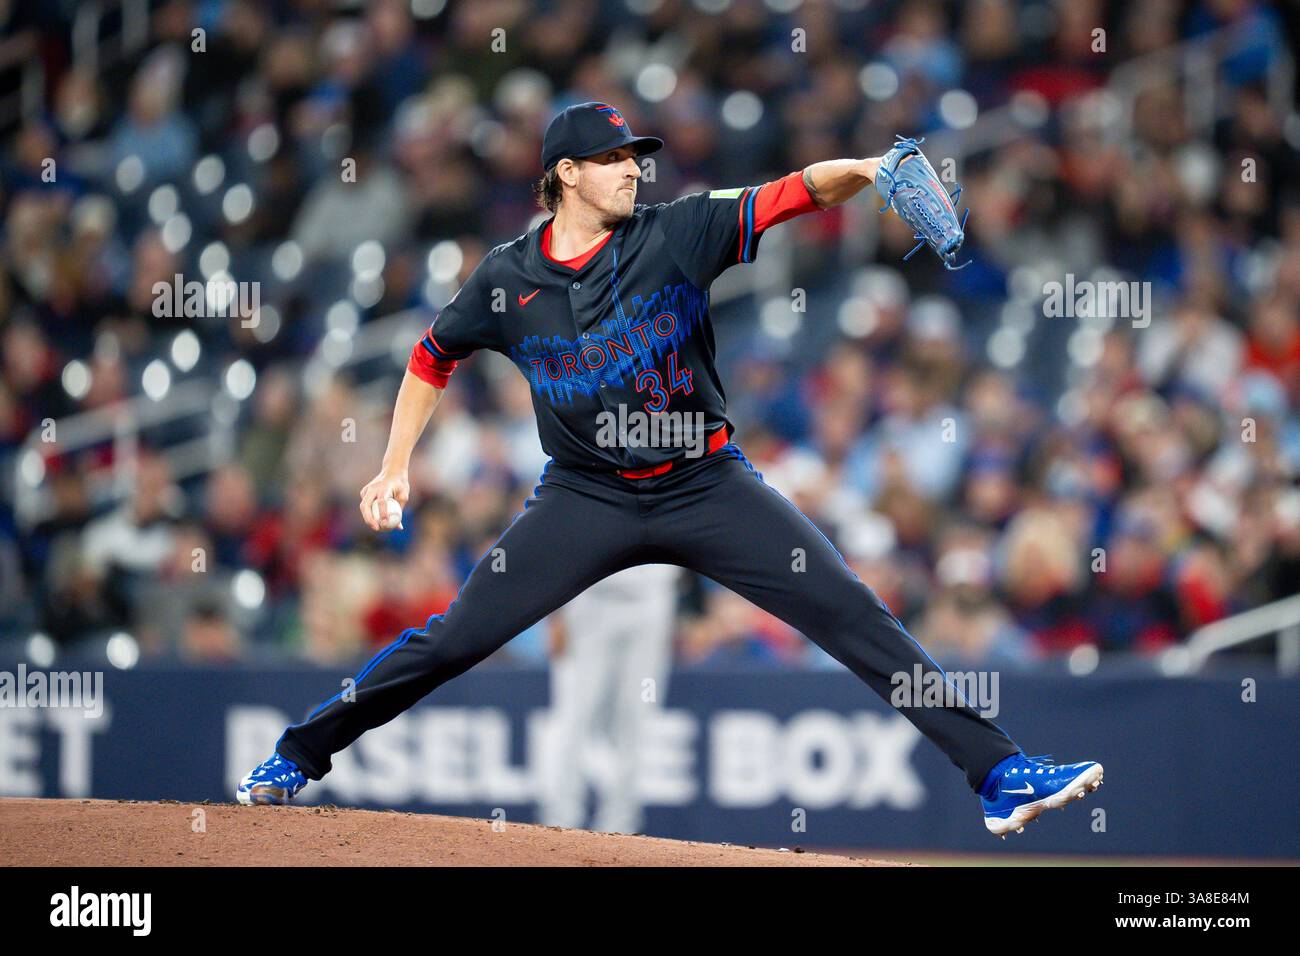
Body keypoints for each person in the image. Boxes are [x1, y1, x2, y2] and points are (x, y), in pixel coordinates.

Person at [237, 102, 1103, 837]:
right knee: (455, 638)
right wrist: (394, 466)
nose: (632, 172)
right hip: (586, 496)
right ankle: (297, 754)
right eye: (613, 159)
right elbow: (432, 356)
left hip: (705, 483)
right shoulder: (507, 279)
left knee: (849, 610)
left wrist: (872, 169)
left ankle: (997, 775)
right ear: (565, 173)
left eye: (637, 158)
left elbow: (794, 192)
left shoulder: (677, 233)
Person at [538, 563, 679, 835]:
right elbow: (560, 530)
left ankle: (621, 825)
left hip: (652, 596)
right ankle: (559, 819)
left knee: (637, 715)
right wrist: (553, 609)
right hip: (591, 595)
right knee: (575, 712)